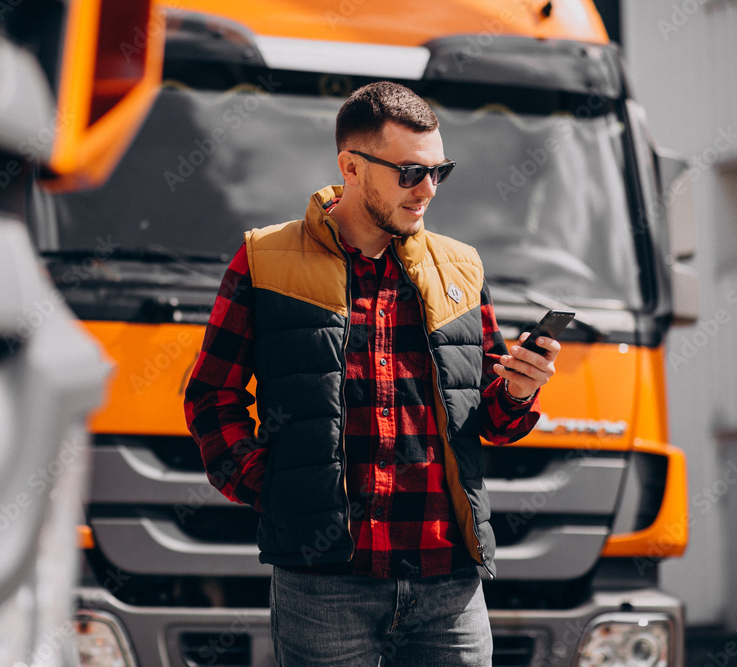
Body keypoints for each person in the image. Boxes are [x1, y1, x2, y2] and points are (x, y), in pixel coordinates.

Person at [183, 81, 561, 667]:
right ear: (351, 166)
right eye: (411, 173)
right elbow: (211, 397)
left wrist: (518, 389)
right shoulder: (265, 259)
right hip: (323, 584)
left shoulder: (460, 268)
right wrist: (275, 490)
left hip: (450, 584)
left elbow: (488, 420)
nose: (428, 190)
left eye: (440, 172)